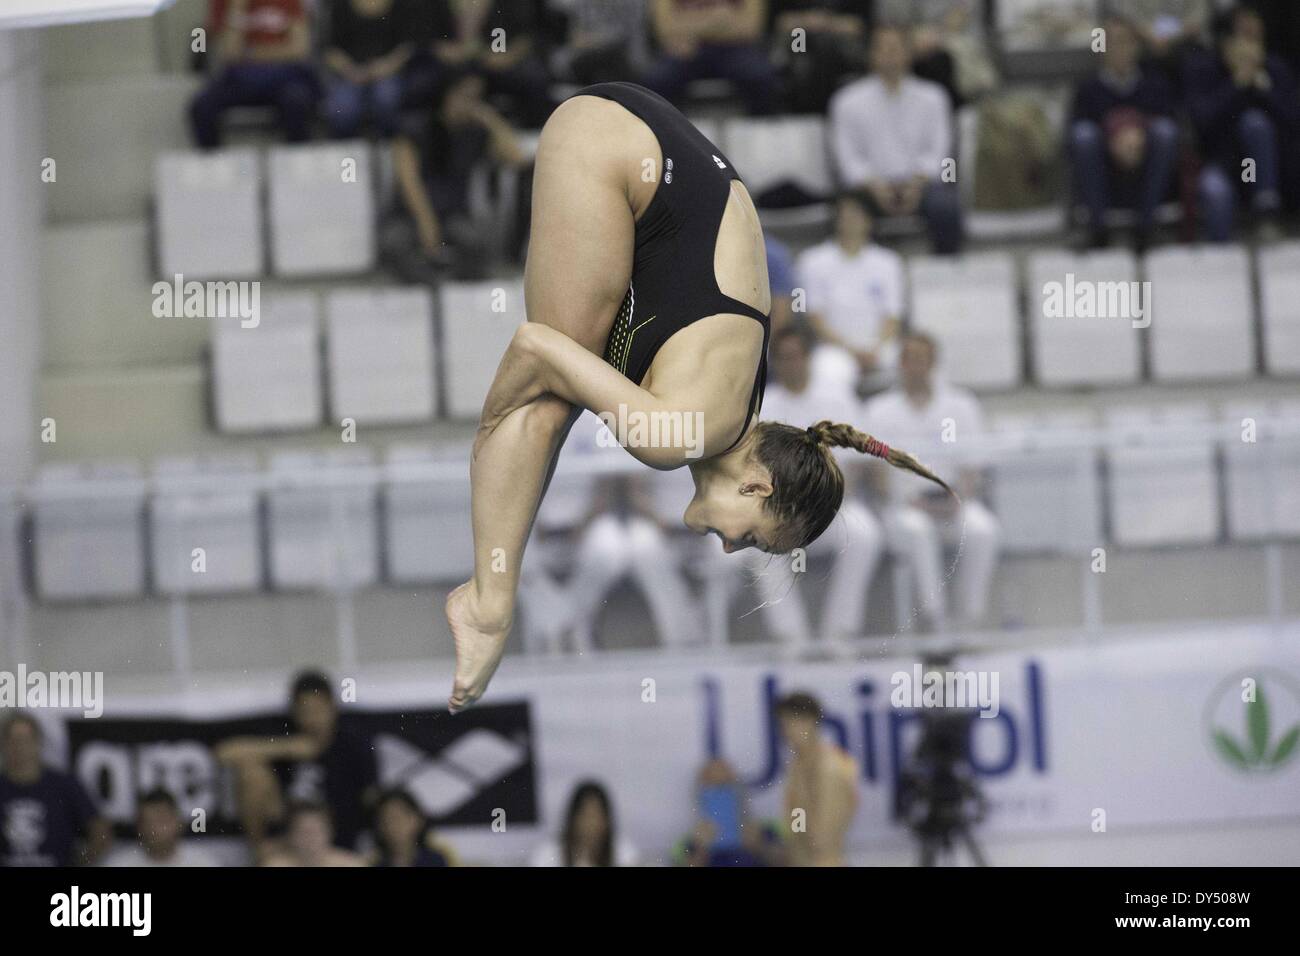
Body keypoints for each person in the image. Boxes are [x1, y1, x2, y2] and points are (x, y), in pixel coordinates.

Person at [442, 81, 949, 712]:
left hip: (660, 142)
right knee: (544, 405)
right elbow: (532, 347)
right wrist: (489, 433)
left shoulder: (738, 408)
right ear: (756, 487)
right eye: (757, 540)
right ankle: (489, 608)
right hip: (614, 144)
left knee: (559, 394)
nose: (734, 548)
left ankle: (494, 595)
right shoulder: (675, 435)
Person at [711, 325, 885, 652]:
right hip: (779, 510)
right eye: (782, 358)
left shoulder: (837, 399)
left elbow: (862, 461)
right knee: (762, 541)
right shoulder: (761, 408)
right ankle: (792, 639)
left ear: (808, 359)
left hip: (833, 506)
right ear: (774, 362)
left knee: (866, 533)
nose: (790, 364)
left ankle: (840, 633)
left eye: (795, 356)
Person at [862, 333, 999, 630]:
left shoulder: (961, 405)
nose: (916, 367)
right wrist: (907, 500)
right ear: (900, 364)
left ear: (934, 363)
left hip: (953, 501)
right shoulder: (879, 410)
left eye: (923, 360)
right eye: (910, 360)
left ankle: (968, 621)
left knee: (983, 530)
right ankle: (936, 620)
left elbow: (973, 466)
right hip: (902, 506)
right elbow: (876, 475)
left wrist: (957, 498)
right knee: (918, 529)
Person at [215, 670, 379, 861]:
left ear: (332, 707)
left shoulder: (354, 743)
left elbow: (372, 798)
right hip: (288, 840)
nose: (312, 720)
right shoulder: (285, 733)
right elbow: (223, 754)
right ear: (294, 712)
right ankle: (257, 852)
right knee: (251, 772)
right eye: (305, 712)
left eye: (318, 711)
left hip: (337, 841)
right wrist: (288, 747)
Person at [829, 23, 964, 253]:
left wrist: (918, 184)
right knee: (849, 208)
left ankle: (946, 275)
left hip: (921, 185)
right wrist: (875, 186)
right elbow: (847, 159)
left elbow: (940, 153)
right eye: (883, 49)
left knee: (946, 205)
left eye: (896, 48)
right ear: (871, 54)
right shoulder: (846, 101)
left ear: (909, 53)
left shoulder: (934, 97)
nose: (890, 56)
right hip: (869, 188)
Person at [387, 66, 529, 279]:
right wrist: (426, 222)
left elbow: (517, 157)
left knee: (475, 247)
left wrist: (490, 118)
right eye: (465, 95)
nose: (470, 102)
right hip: (410, 214)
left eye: (476, 97)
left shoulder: (475, 132)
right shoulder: (414, 128)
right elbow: (409, 183)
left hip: (453, 214)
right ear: (448, 93)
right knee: (396, 245)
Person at [1185, 5, 1300, 240]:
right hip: (1223, 165)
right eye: (1246, 37)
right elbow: (1202, 124)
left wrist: (1263, 88)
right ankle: (1220, 268)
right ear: (1227, 42)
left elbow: (1293, 121)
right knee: (1216, 194)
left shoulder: (1274, 69)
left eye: (1257, 37)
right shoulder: (1204, 69)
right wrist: (1236, 85)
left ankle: (1266, 207)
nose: (1252, 47)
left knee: (1255, 123)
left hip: (1276, 170)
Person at [1069, 14, 1179, 251]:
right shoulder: (1089, 88)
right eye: (1111, 42)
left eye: (1124, 41)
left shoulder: (1154, 84)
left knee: (1165, 132)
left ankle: (1147, 226)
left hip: (1145, 168)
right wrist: (1114, 138)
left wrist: (1138, 135)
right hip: (1105, 172)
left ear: (1136, 46)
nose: (1119, 48)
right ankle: (1098, 228)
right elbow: (1075, 132)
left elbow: (1168, 121)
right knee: (1083, 136)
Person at [795, 191, 905, 395]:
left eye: (856, 214)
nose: (850, 221)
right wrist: (853, 351)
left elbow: (893, 315)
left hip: (880, 345)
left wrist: (875, 349)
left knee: (911, 366)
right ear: (836, 220)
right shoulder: (813, 261)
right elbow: (815, 318)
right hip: (834, 349)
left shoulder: (888, 262)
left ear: (869, 220)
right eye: (844, 215)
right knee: (828, 373)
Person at [189, 0, 319, 148]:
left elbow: (299, 50)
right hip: (240, 81)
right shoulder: (224, 3)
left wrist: (250, 53)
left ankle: (297, 164)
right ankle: (214, 167)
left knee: (296, 100)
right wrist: (237, 8)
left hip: (285, 78)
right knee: (202, 106)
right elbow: (230, 52)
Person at [0, 714, 111, 867]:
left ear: (38, 743)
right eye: (13, 740)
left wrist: (80, 863)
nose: (19, 747)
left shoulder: (64, 786)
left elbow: (101, 832)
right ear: (3, 744)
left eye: (25, 740)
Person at [643, 0, 780, 114]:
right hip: (685, 51)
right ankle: (669, 137)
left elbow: (750, 28)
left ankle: (759, 138)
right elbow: (665, 29)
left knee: (761, 77)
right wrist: (718, 21)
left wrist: (688, 27)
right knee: (657, 81)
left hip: (734, 48)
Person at [775, 692, 858, 866]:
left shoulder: (830, 767)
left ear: (812, 722)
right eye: (784, 724)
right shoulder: (798, 765)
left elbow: (822, 837)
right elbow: (798, 826)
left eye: (795, 722)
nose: (788, 731)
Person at [321, 0, 418, 138]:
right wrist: (350, 70)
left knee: (386, 98)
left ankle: (389, 146)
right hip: (350, 73)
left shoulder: (399, 5)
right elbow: (330, 50)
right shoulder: (340, 6)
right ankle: (348, 151)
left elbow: (407, 46)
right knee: (343, 108)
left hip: (388, 71)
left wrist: (386, 67)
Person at [675, 757, 783, 866]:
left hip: (743, 850)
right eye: (711, 777)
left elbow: (781, 858)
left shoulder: (763, 830)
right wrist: (700, 847)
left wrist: (756, 840)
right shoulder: (693, 840)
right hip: (713, 853)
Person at [530, 780, 639, 866]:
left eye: (596, 816)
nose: (591, 823)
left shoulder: (623, 852)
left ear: (607, 821)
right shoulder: (549, 854)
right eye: (586, 816)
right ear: (573, 818)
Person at [101, 788, 218, 867]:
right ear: (139, 827)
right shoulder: (119, 864)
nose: (156, 829)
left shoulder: (204, 862)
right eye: (149, 822)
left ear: (179, 823)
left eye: (163, 821)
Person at [261, 801, 368, 866]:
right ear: (291, 836)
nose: (310, 839)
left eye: (316, 831)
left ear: (330, 832)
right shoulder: (274, 865)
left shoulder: (352, 864)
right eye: (303, 832)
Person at [370, 788, 457, 866]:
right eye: (385, 820)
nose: (393, 826)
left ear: (417, 819)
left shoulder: (435, 861)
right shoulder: (374, 863)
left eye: (398, 818)